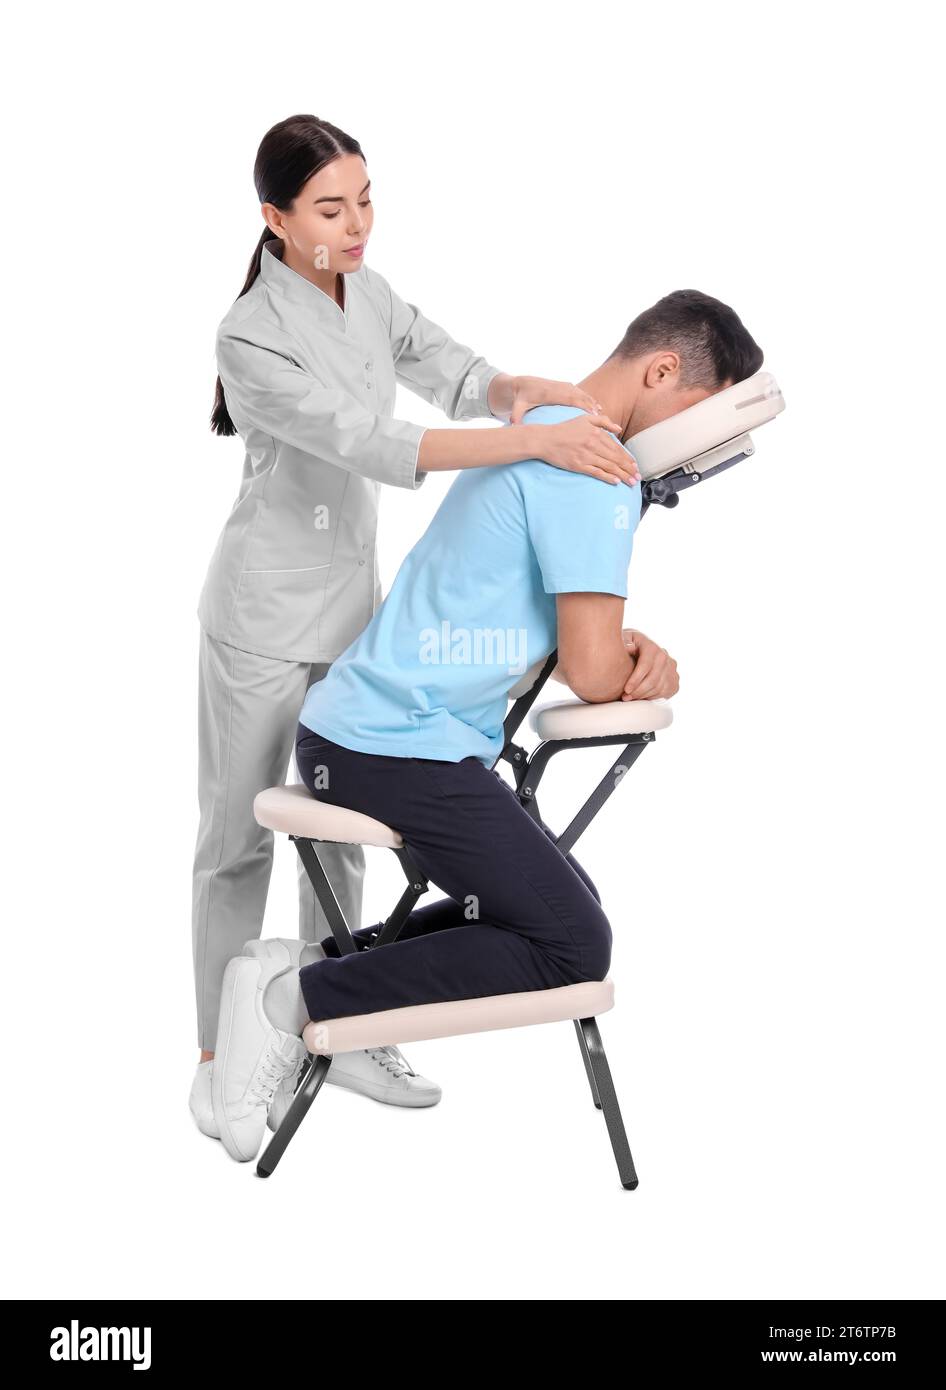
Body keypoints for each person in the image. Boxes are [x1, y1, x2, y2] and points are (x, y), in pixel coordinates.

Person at [210, 289, 765, 1162]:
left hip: (367, 736)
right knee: (574, 942)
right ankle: (294, 1002)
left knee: (563, 909)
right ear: (663, 372)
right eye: (700, 415)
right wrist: (641, 659)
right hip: (391, 747)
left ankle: (299, 963)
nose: (696, 448)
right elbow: (589, 669)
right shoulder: (596, 470)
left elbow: (549, 619)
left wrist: (621, 645)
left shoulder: (541, 421)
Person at [190, 112, 638, 1141]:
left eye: (366, 199)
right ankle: (222, 1056)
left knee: (333, 836)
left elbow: (441, 362)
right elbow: (367, 437)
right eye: (331, 209)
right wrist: (534, 446)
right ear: (274, 217)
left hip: (351, 608)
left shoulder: (368, 291)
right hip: (261, 609)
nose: (358, 225)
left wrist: (514, 391)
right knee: (234, 841)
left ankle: (341, 1024)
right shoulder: (248, 332)